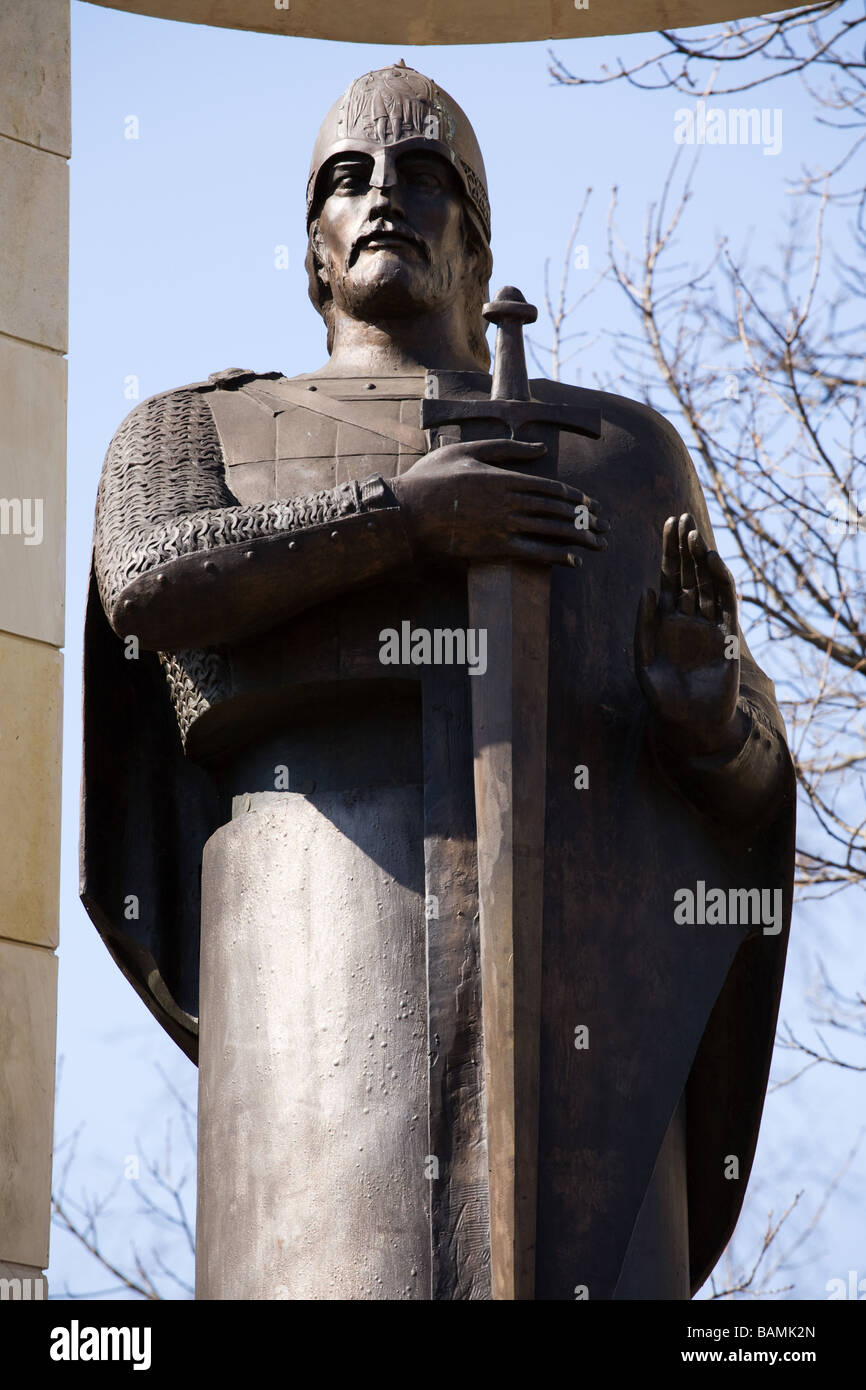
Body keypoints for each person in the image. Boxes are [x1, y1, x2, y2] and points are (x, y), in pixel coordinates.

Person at [82, 63, 795, 1299]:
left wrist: (707, 723)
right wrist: (402, 523)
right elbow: (149, 578)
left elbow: (751, 777)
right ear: (312, 248)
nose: (383, 196)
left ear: (475, 243)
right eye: (346, 178)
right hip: (311, 967)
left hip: (580, 1025)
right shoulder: (197, 428)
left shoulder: (621, 456)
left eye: (425, 176)